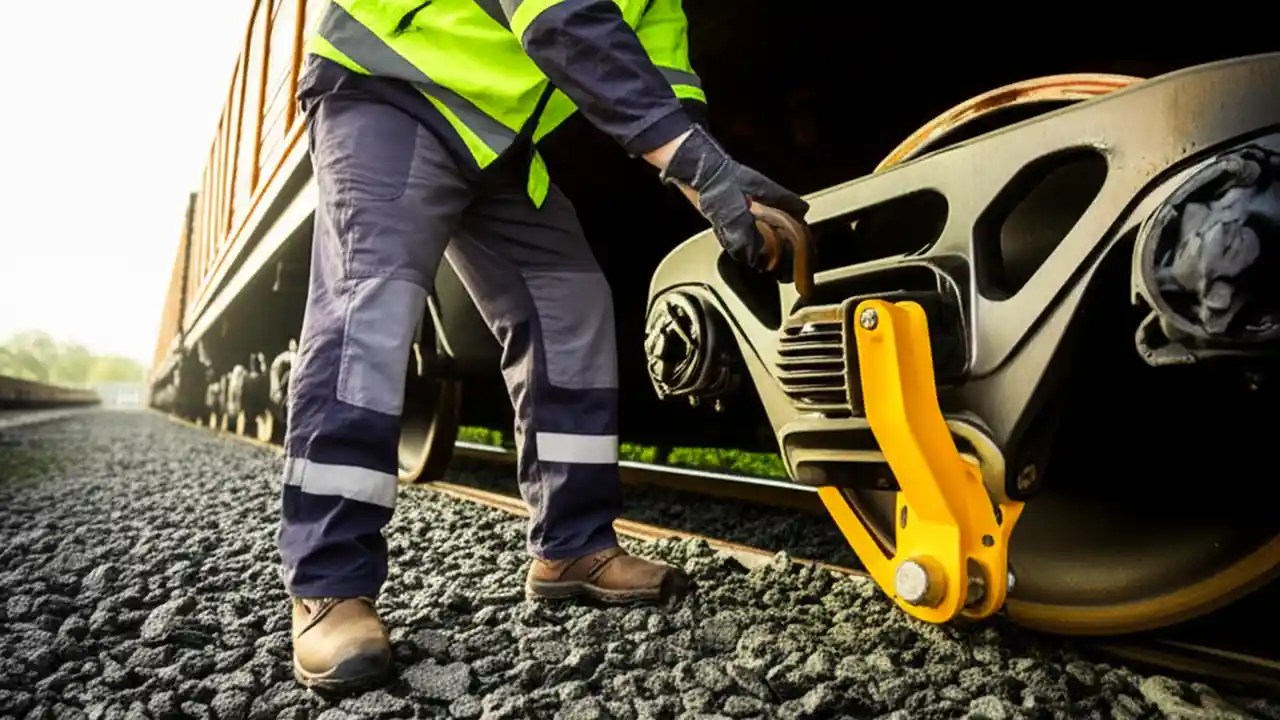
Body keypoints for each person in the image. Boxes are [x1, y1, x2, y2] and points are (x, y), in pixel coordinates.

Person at [278, 0, 809, 693]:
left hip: (495, 142)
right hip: (389, 87)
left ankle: (573, 546)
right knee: (370, 307)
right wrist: (701, 171)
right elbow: (556, 16)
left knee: (570, 308)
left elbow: (661, 78)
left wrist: (718, 185)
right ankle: (328, 584)